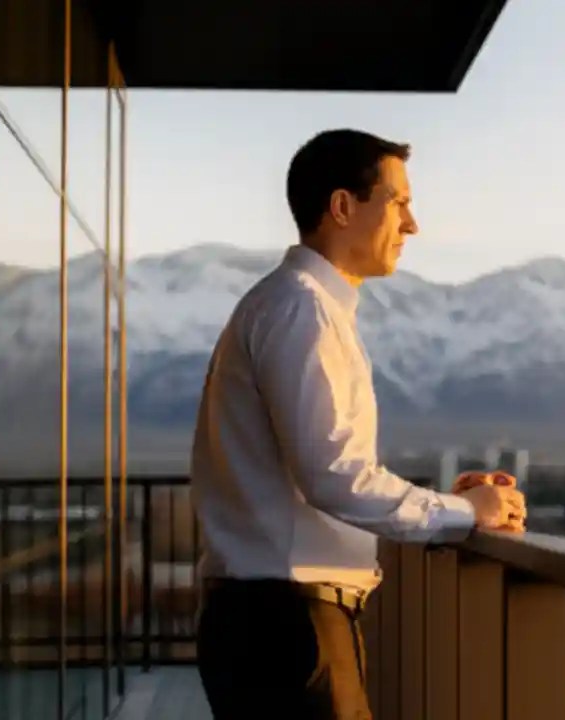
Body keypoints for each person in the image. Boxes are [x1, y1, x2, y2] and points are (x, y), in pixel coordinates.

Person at [190, 129, 527, 719]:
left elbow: (318, 473)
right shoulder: (301, 309)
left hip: (276, 622)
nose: (412, 224)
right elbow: (334, 476)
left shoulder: (292, 306)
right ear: (343, 207)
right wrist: (464, 515)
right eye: (398, 203)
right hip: (288, 626)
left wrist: (442, 504)